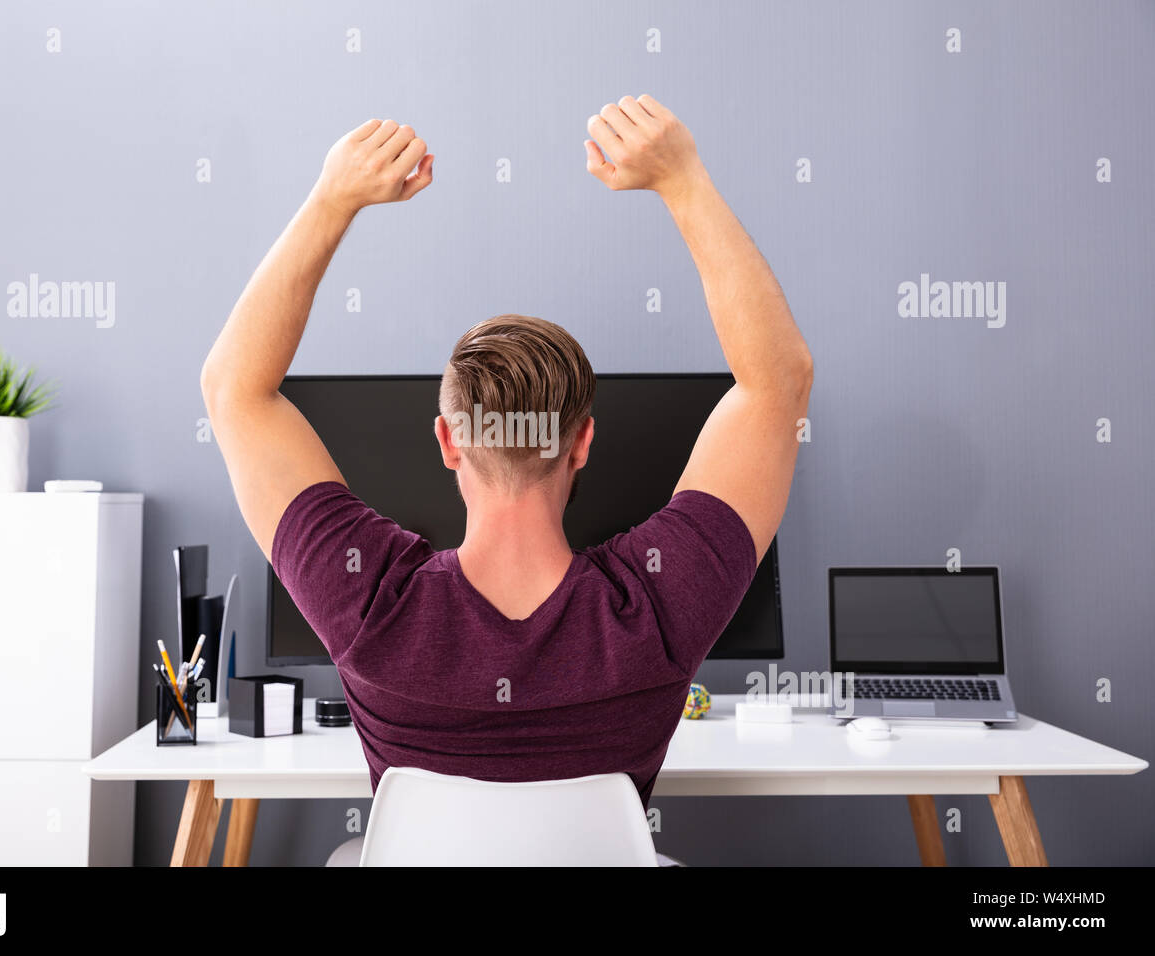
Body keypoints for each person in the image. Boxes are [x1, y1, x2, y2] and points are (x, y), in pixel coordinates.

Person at [200, 94, 813, 815]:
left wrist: (334, 199)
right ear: (583, 443)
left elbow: (234, 391)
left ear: (448, 441)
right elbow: (778, 386)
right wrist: (683, 181)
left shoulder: (369, 606)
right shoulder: (657, 608)